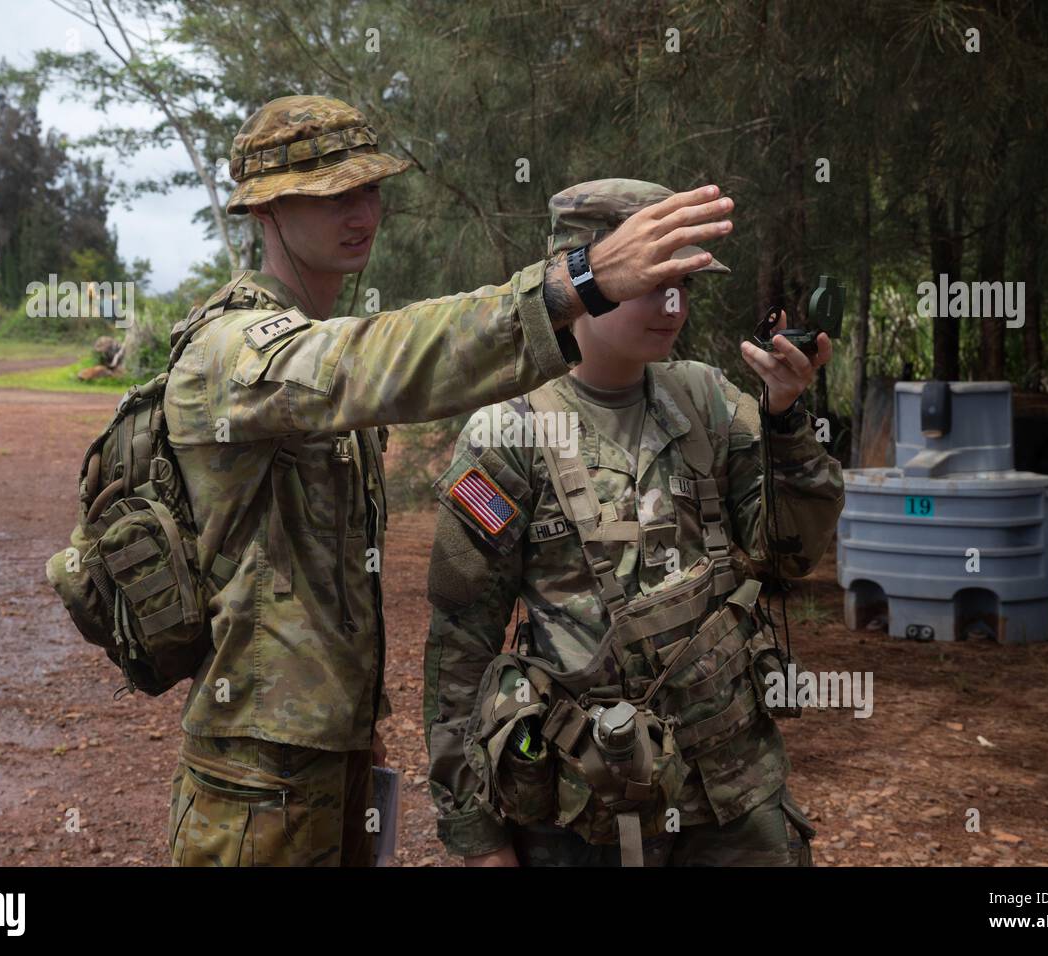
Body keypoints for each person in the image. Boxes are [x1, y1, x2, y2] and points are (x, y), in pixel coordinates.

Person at [162, 101, 737, 866]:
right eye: (333, 193)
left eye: (370, 190)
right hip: (253, 778)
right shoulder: (232, 351)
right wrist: (581, 282)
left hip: (329, 757)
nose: (361, 211)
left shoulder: (316, 346)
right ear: (264, 208)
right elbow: (384, 360)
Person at [422, 179, 845, 867]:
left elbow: (788, 556)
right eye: (654, 282)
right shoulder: (508, 434)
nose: (674, 304)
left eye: (685, 282)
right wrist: (475, 834)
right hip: (585, 812)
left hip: (732, 806)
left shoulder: (708, 401)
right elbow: (459, 647)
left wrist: (785, 417)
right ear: (583, 281)